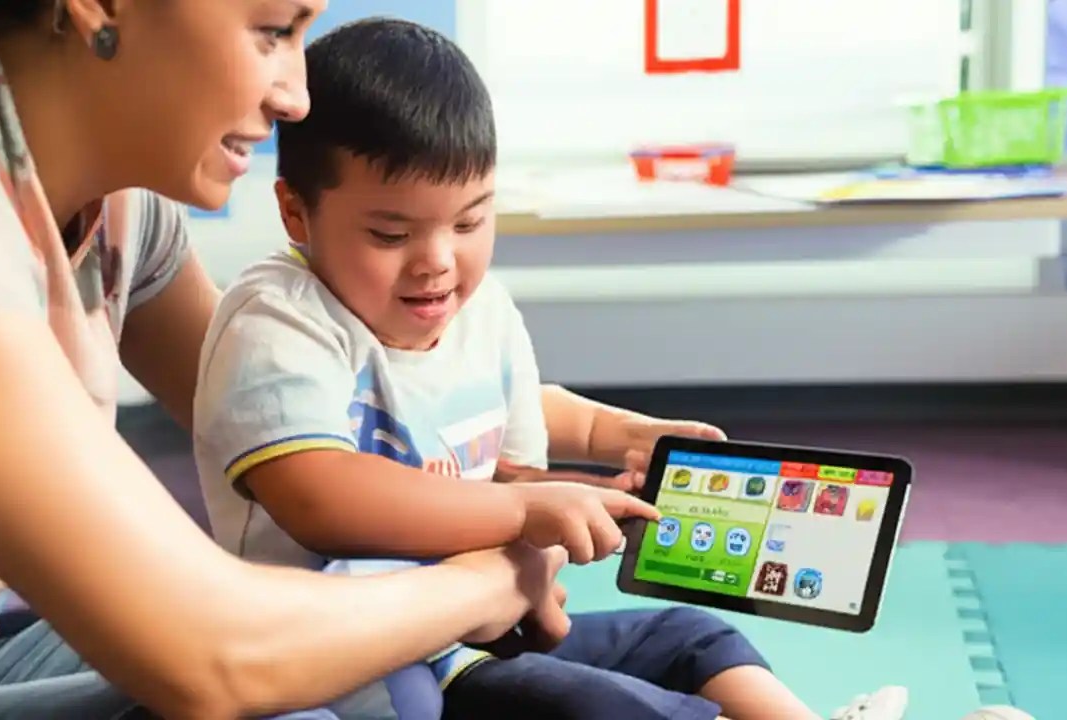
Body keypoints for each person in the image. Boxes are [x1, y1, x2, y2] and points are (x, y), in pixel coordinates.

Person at [0, 1, 599, 717]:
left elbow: (293, 406)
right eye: (272, 31)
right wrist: (493, 577)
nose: (298, 96)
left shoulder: (120, 206)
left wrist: (599, 438)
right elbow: (214, 657)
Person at [192, 18, 918, 720]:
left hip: (473, 625)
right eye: (391, 233)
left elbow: (494, 450)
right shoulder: (279, 319)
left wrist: (613, 449)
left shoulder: (477, 312)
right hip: (349, 659)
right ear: (296, 215)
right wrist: (524, 512)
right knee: (598, 706)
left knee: (689, 638)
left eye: (470, 222)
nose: (438, 261)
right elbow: (317, 494)